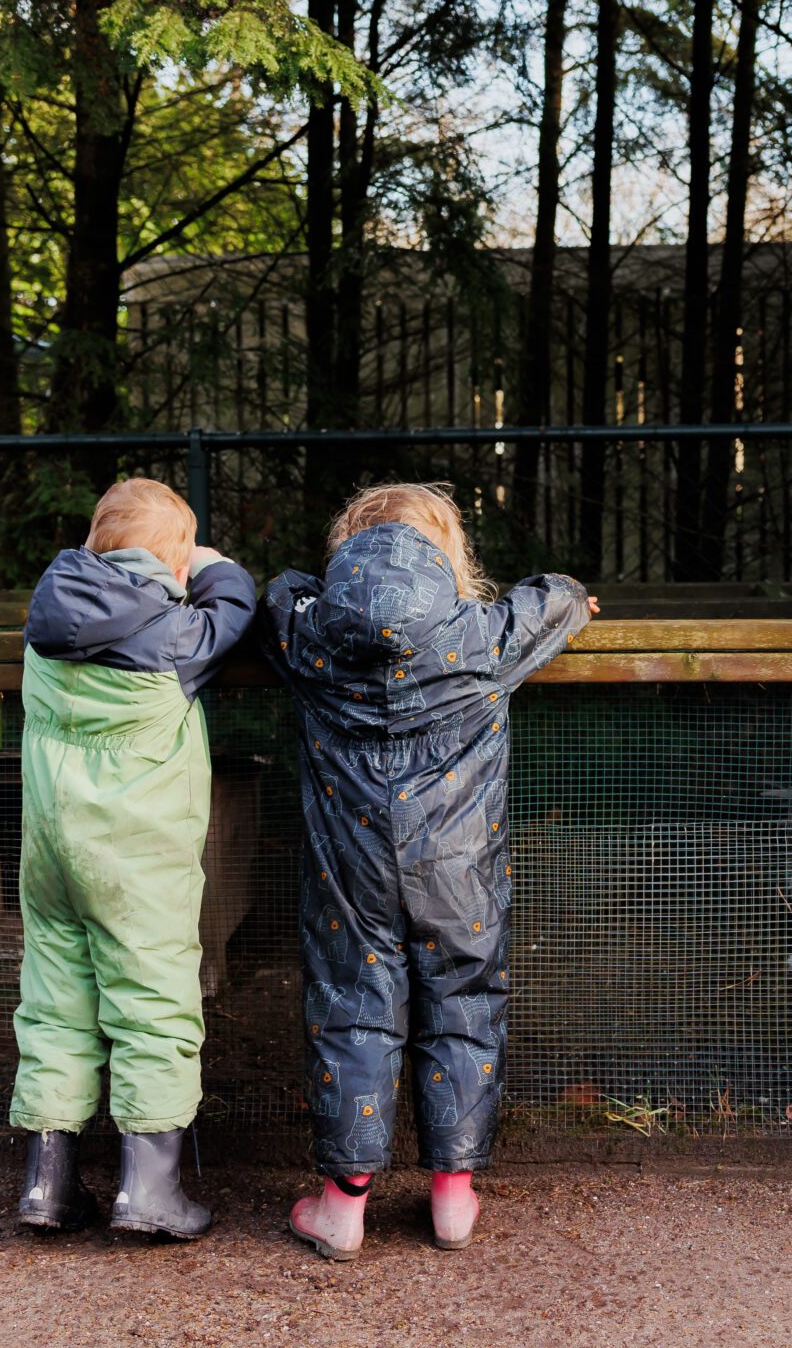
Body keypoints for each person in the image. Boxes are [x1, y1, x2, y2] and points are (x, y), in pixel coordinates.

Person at [265, 483, 594, 1260]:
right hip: (458, 870)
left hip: (351, 866)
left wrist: (325, 587)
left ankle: (343, 1207)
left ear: (347, 552)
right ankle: (454, 1195)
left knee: (354, 1002)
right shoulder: (481, 635)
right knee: (465, 998)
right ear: (448, 555)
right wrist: (577, 595)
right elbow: (555, 598)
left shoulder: (310, 638)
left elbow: (278, 591)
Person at [9, 477, 257, 1240]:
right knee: (151, 1001)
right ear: (175, 564)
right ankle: (148, 1192)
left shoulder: (44, 623)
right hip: (136, 859)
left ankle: (47, 1185)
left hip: (51, 853)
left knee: (55, 999)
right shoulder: (177, 639)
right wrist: (211, 566)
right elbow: (236, 607)